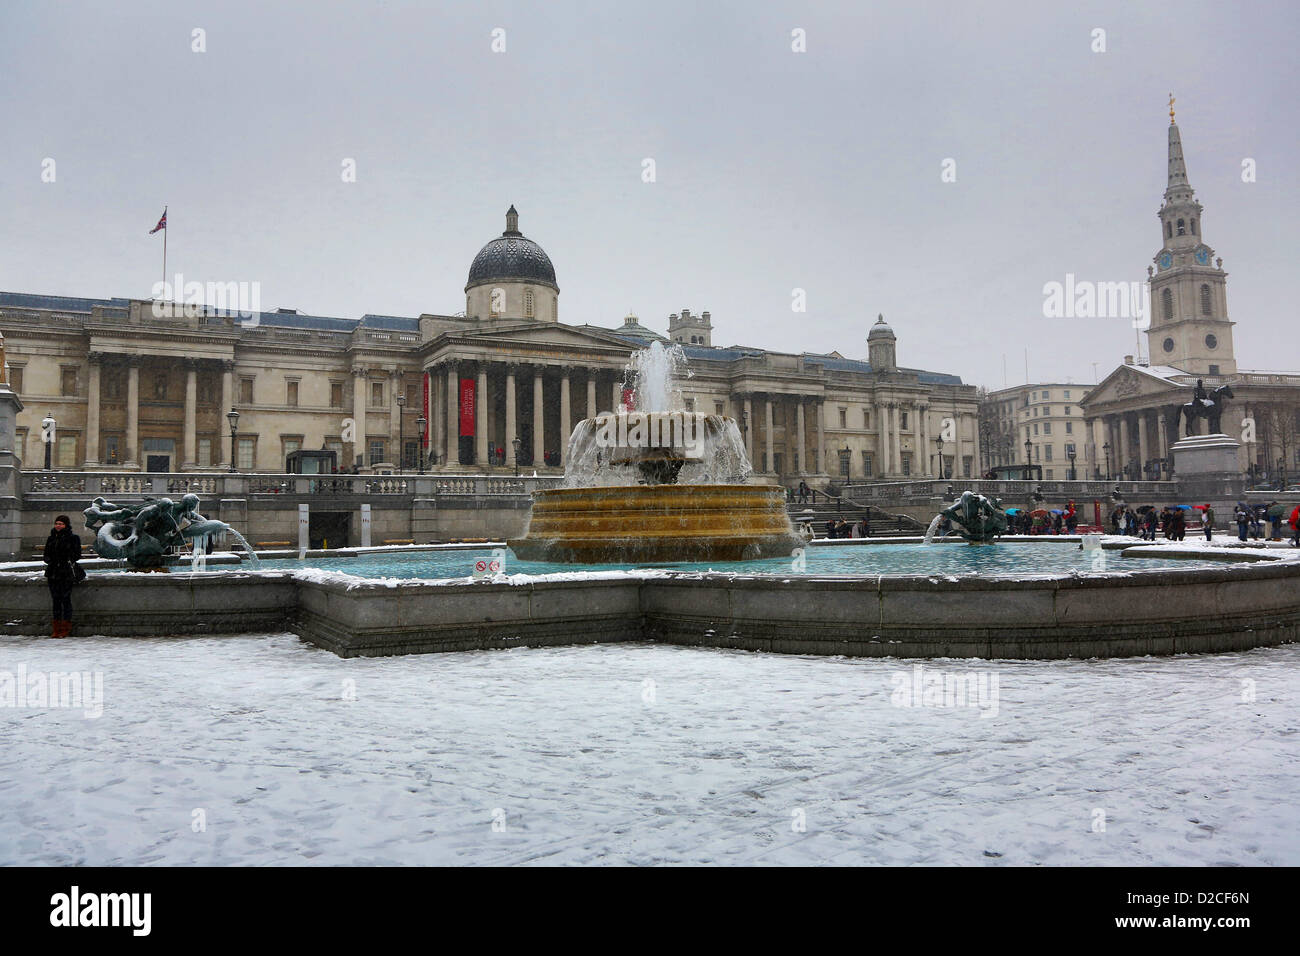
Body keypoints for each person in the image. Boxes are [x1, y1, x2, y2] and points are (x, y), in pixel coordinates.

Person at [43, 515, 83, 639]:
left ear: (66, 525)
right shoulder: (51, 538)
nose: (58, 526)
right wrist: (51, 560)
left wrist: (65, 557)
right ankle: (56, 629)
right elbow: (46, 555)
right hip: (53, 572)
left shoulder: (73, 538)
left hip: (66, 573)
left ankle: (65, 628)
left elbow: (77, 555)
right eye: (57, 523)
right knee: (55, 600)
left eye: (61, 524)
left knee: (65, 599)